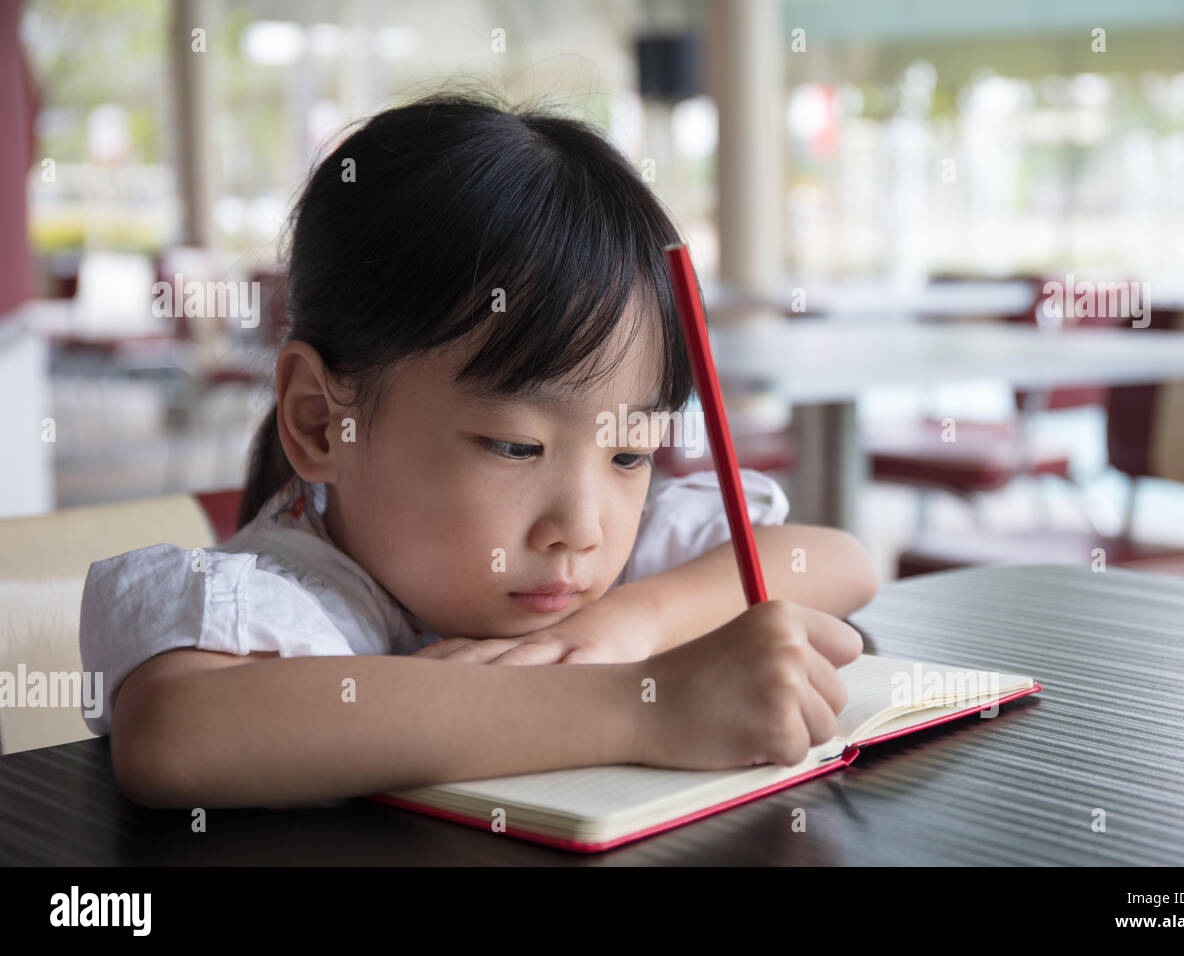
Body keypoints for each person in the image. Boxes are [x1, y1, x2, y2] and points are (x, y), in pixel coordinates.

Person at [79, 85, 878, 809]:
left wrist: (628, 626)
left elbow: (840, 561)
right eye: (514, 447)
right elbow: (178, 733)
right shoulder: (305, 600)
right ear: (323, 422)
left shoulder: (604, 586)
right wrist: (643, 705)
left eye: (629, 454)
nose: (582, 526)